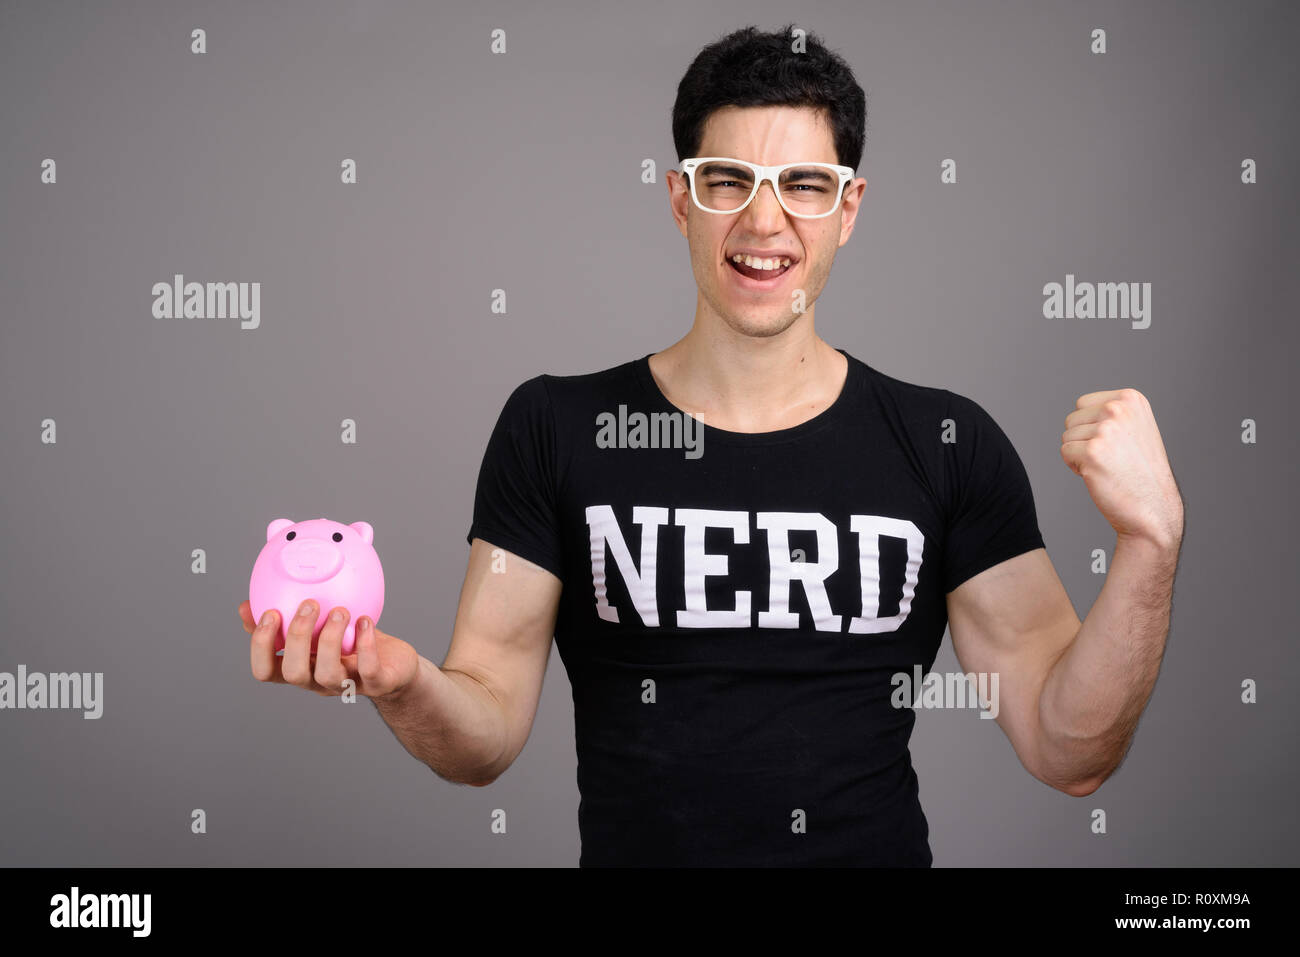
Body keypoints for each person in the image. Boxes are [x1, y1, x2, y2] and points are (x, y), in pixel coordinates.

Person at [240, 24, 1184, 866]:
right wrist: (402, 684)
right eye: (727, 180)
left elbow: (1070, 754)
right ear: (681, 199)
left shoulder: (946, 443)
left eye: (803, 186)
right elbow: (484, 729)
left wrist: (1149, 546)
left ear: (848, 210)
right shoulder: (555, 428)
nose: (764, 223)